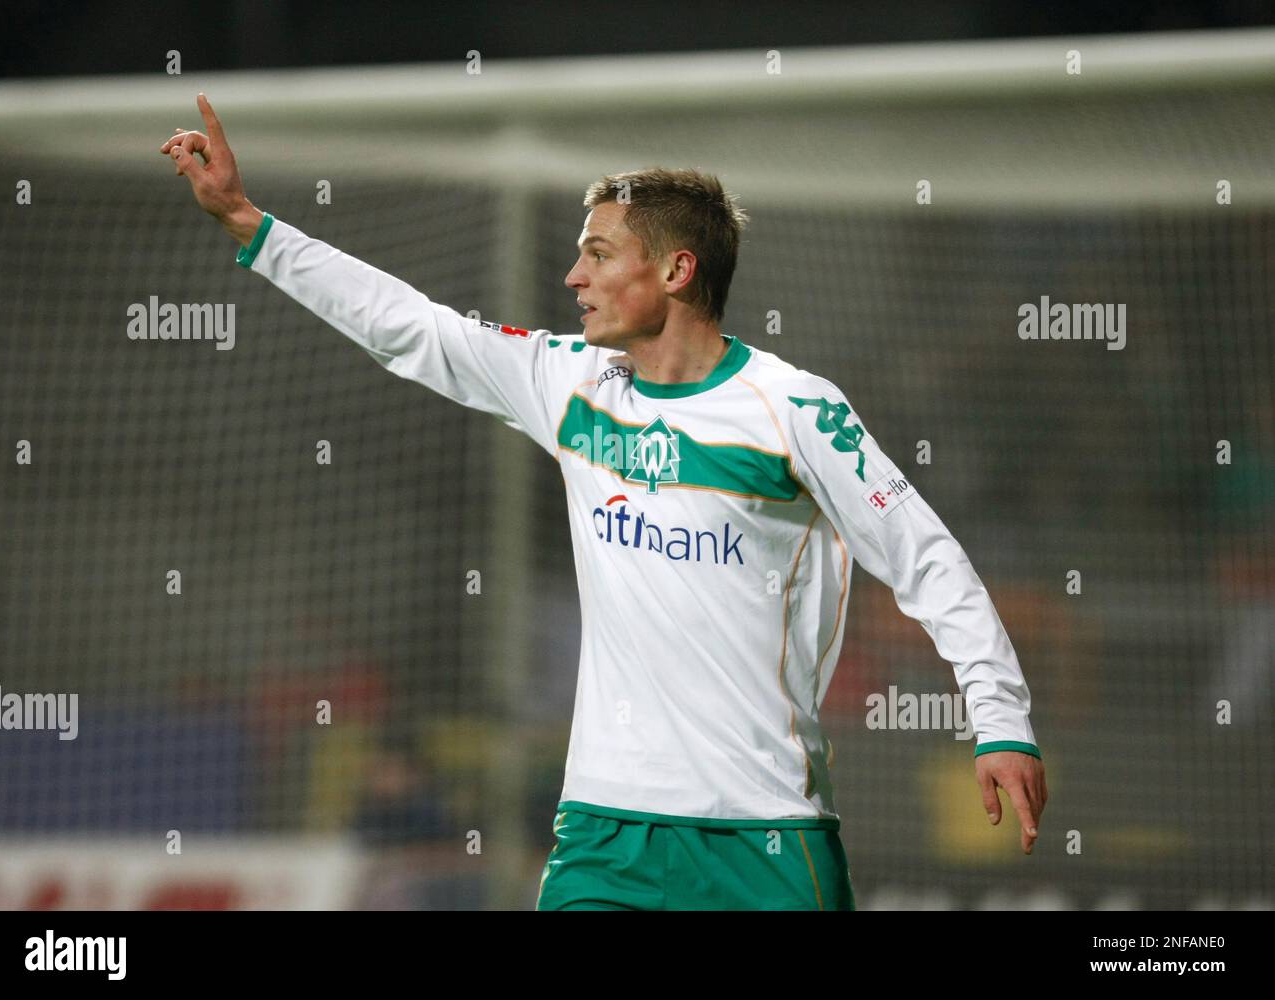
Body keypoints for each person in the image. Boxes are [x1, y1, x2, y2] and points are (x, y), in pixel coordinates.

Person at [161, 93, 1047, 911]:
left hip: (765, 833)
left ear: (674, 270)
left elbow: (927, 560)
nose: (571, 276)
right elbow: (411, 327)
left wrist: (1000, 721)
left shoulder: (797, 411)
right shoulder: (571, 386)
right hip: (603, 832)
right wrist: (249, 225)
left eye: (596, 252)